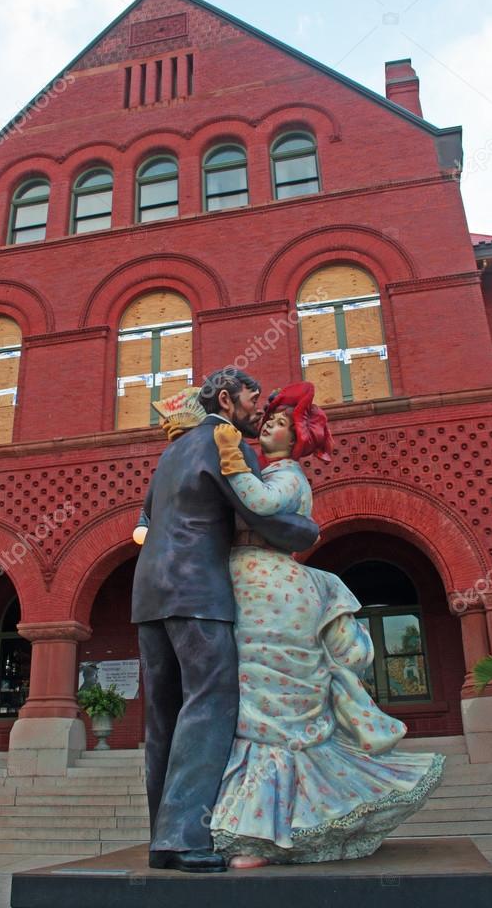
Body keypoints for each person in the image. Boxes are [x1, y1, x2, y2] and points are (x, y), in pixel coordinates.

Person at [206, 382, 445, 865]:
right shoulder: (273, 469)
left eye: (278, 426)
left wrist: (229, 455)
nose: (268, 429)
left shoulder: (288, 475)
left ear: (295, 441)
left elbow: (261, 503)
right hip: (254, 582)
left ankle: (261, 833)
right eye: (268, 422)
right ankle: (266, 828)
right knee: (257, 698)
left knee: (268, 704)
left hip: (270, 587)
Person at [131, 369, 320, 874]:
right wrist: (306, 529)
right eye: (252, 398)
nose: (257, 409)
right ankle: (184, 837)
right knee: (210, 702)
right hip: (197, 590)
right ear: (225, 399)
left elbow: (145, 519)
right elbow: (256, 512)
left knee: (163, 716)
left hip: (149, 593)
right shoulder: (222, 438)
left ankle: (162, 834)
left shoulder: (172, 450)